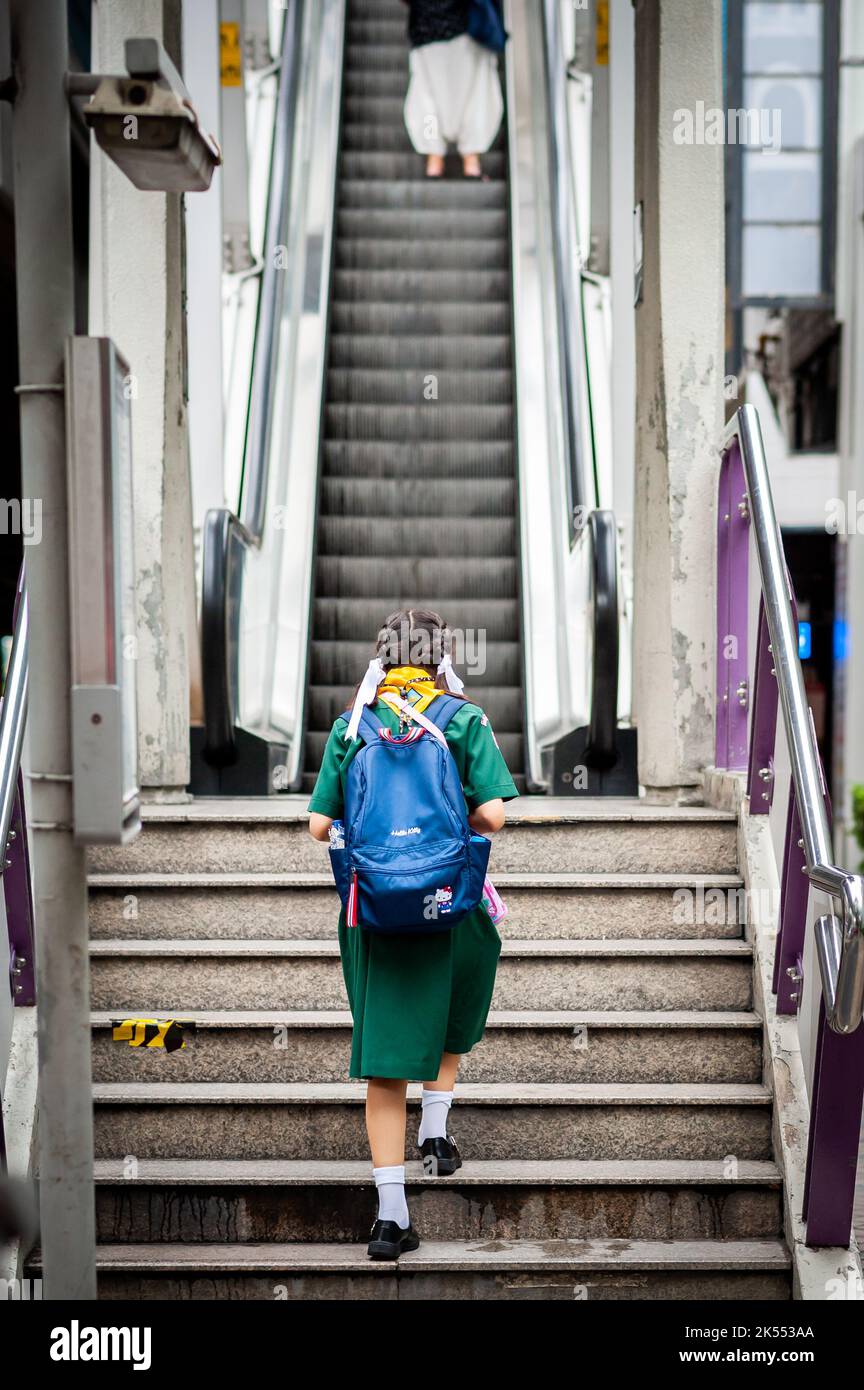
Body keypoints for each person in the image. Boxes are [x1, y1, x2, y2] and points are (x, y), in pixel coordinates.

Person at [307, 608, 519, 1258]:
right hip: (447, 903)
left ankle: (391, 1217)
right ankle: (435, 1133)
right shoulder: (463, 717)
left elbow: (319, 828)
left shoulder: (353, 724)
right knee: (450, 1014)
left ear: (381, 655)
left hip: (375, 912)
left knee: (386, 1059)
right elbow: (492, 816)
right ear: (442, 655)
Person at [400, 0, 504, 178]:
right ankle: (471, 159)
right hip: (467, 26)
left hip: (425, 28)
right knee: (475, 93)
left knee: (426, 97)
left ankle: (434, 157)